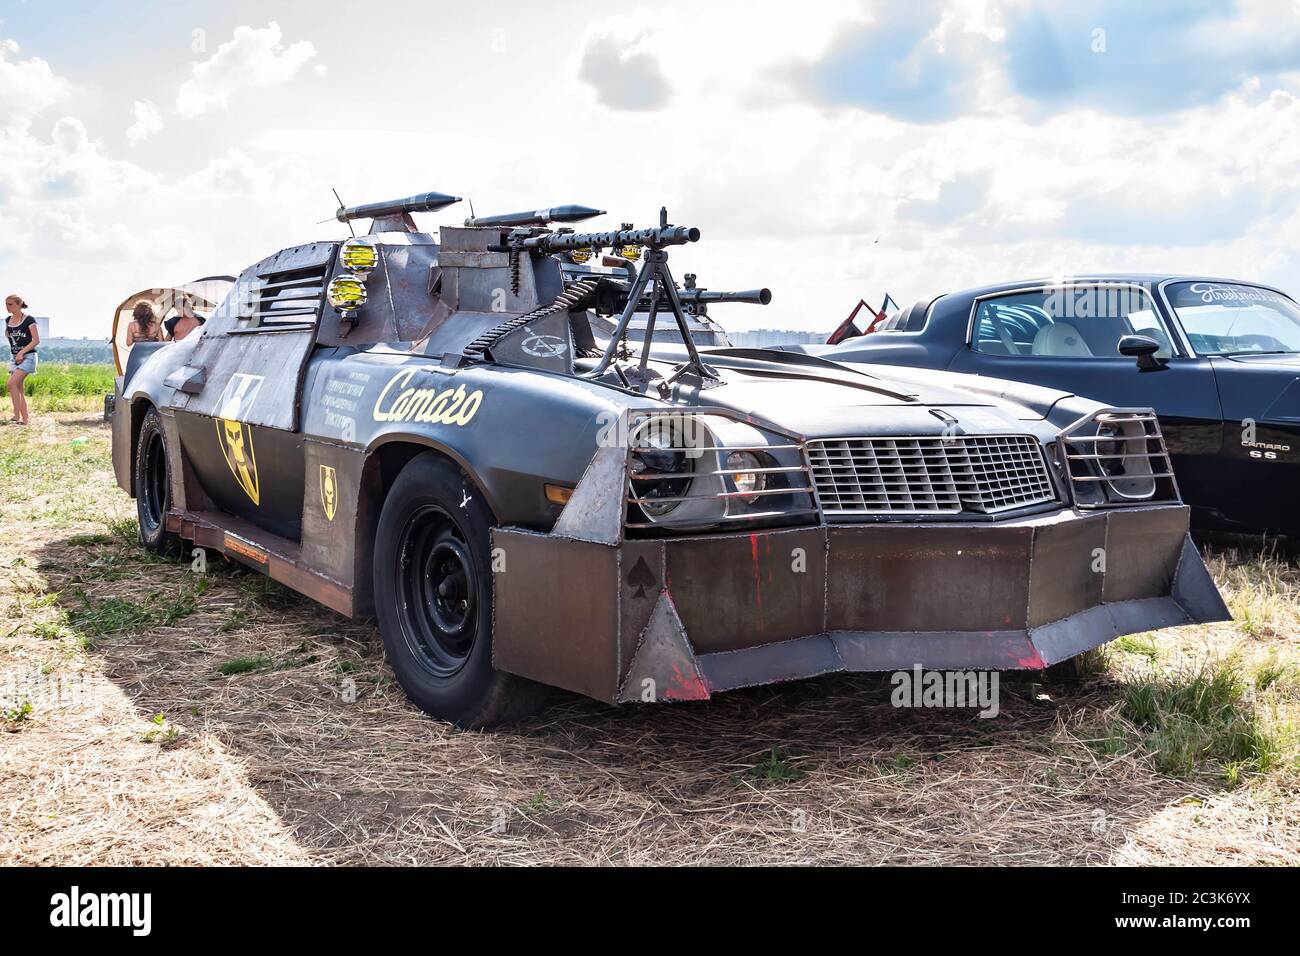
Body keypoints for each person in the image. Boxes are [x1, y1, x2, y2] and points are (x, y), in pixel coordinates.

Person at [4, 294, 39, 426]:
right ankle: (25, 420)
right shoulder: (8, 320)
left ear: (19, 304)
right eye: (6, 304)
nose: (7, 307)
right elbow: (9, 336)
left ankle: (16, 416)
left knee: (11, 384)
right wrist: (16, 353)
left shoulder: (29, 320)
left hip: (28, 357)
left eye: (10, 304)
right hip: (15, 358)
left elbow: (36, 340)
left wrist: (22, 353)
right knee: (18, 389)